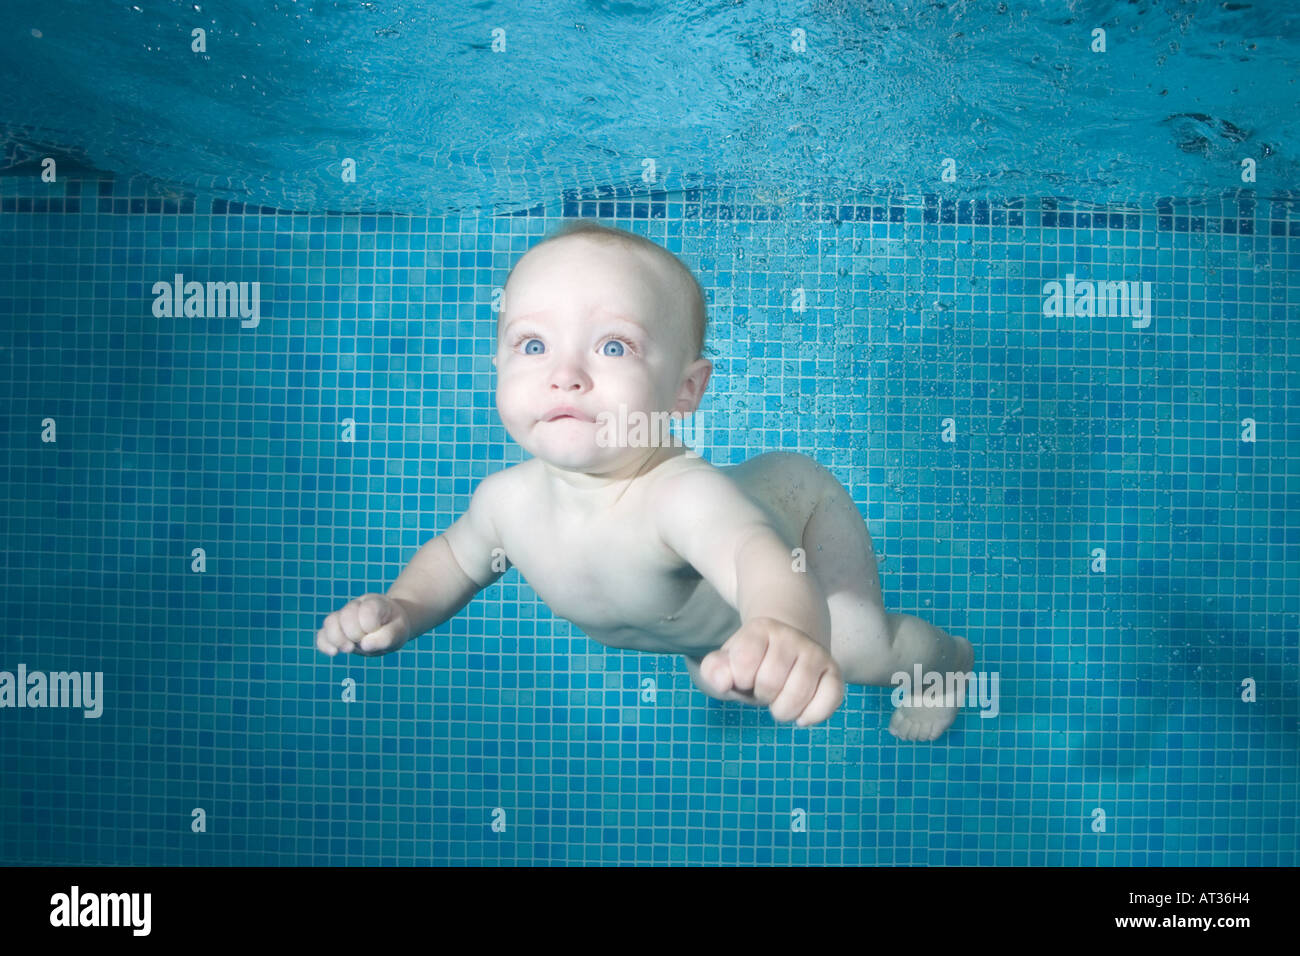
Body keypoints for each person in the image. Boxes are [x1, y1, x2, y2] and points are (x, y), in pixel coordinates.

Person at [315, 220, 974, 739]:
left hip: (800, 507)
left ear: (685, 391)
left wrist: (782, 626)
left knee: (859, 649)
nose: (565, 373)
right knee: (716, 654)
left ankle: (948, 663)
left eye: (612, 346)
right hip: (697, 614)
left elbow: (756, 556)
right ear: (497, 364)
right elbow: (453, 561)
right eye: (533, 345)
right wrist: (402, 607)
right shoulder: (503, 503)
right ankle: (717, 638)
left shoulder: (680, 497)